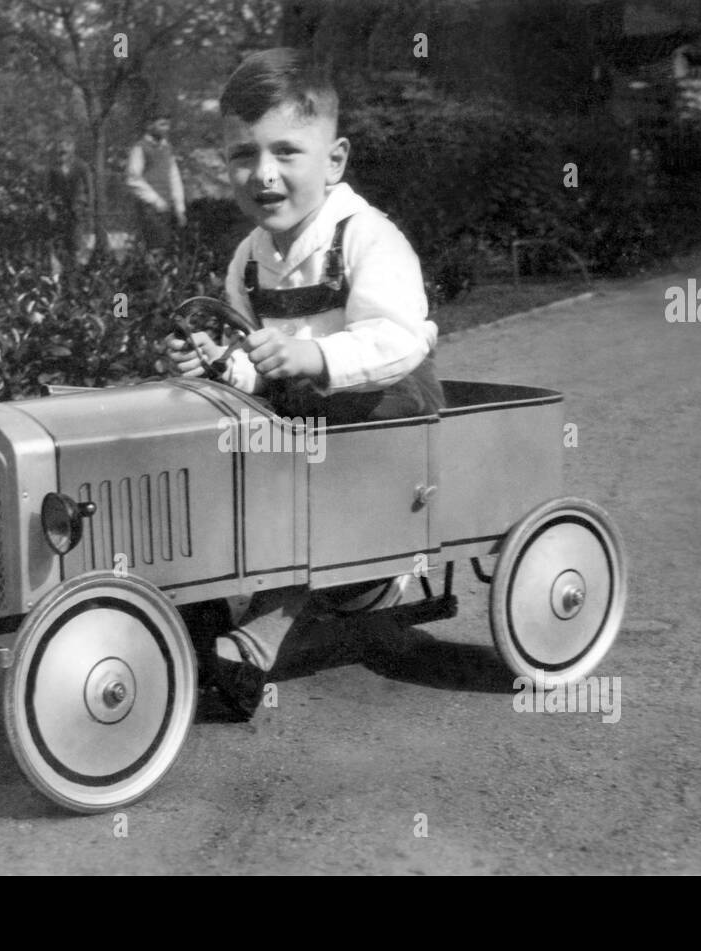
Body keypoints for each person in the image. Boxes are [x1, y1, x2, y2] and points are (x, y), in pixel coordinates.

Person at [159, 48, 444, 721]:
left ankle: (257, 642)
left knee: (308, 487)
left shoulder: (368, 239)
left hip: (385, 410)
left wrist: (313, 359)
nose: (263, 174)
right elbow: (253, 364)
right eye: (242, 155)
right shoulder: (250, 259)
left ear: (335, 160)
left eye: (287, 152)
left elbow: (399, 339)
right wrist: (216, 360)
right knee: (218, 436)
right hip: (303, 417)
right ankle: (192, 599)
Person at [125, 114, 187, 249]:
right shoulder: (140, 148)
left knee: (171, 250)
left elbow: (174, 177)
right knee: (155, 248)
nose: (166, 129)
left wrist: (179, 208)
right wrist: (156, 201)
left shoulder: (167, 148)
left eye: (168, 125)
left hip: (168, 209)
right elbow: (133, 179)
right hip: (149, 209)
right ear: (149, 126)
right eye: (162, 125)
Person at [47, 137, 92, 266]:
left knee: (76, 241)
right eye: (60, 146)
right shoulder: (53, 168)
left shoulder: (81, 166)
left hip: (77, 209)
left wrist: (88, 206)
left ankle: (76, 268)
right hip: (60, 209)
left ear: (73, 148)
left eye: (66, 145)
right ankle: (66, 267)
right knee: (59, 242)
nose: (62, 149)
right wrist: (50, 208)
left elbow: (89, 189)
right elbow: (48, 190)